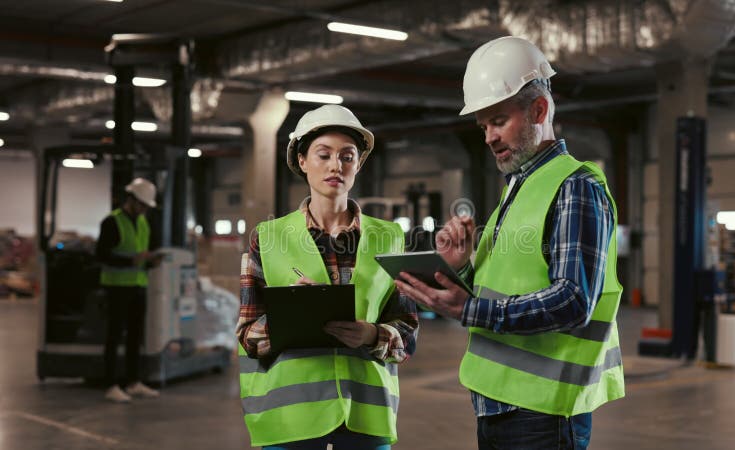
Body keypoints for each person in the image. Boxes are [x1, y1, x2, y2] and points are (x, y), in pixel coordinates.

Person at [394, 36, 625, 450]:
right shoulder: (517, 189)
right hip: (499, 404)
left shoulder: (574, 187)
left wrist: (468, 309)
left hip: (544, 413)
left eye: (498, 121)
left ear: (539, 110)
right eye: (483, 125)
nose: (488, 137)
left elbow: (574, 300)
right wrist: (458, 267)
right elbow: (502, 288)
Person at [236, 104, 419, 449]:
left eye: (347, 156)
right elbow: (247, 336)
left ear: (358, 164)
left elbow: (407, 332)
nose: (336, 165)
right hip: (290, 422)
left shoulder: (391, 237)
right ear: (302, 161)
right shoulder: (268, 237)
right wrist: (291, 314)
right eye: (324, 155)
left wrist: (371, 334)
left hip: (367, 420)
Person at [96, 178, 163, 403]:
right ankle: (110, 384)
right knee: (114, 337)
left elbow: (141, 253)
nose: (144, 209)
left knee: (136, 336)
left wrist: (150, 261)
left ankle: (133, 382)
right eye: (142, 204)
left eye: (146, 206)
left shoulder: (144, 223)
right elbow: (102, 255)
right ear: (131, 200)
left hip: (137, 286)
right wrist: (130, 261)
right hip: (116, 288)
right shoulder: (112, 222)